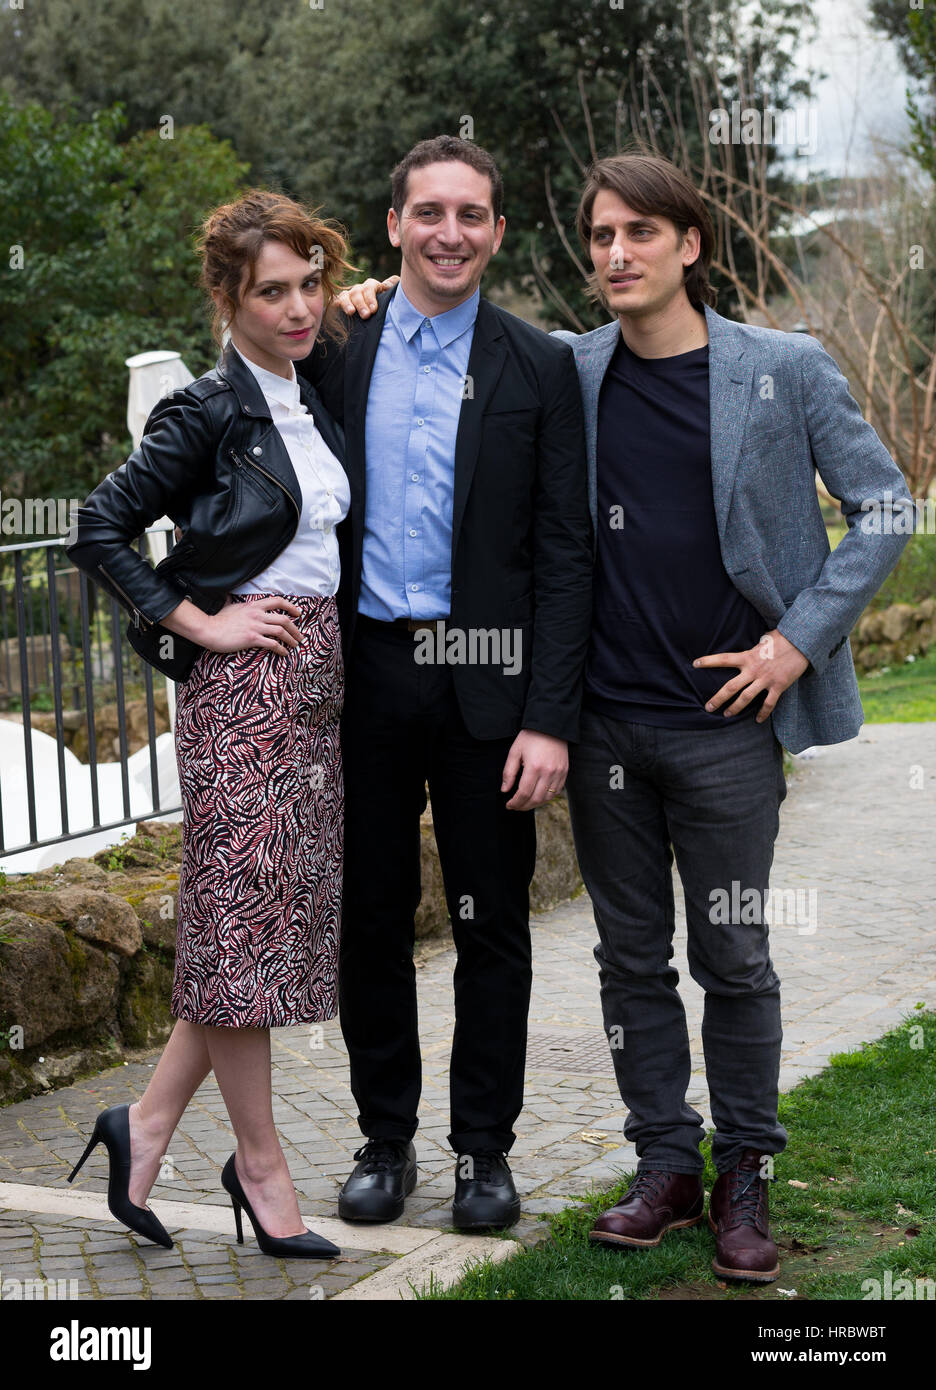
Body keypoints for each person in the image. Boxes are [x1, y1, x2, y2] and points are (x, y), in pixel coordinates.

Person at [548, 153, 914, 1281]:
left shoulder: (784, 367)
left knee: (736, 957)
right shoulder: (573, 370)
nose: (616, 254)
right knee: (628, 960)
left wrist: (795, 641)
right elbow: (443, 350)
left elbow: (886, 505)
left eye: (640, 234)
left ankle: (746, 1167)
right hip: (605, 727)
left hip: (725, 728)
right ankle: (664, 1163)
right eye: (602, 236)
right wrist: (365, 299)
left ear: (689, 245)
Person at [297, 135, 593, 1230]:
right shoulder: (339, 346)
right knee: (370, 916)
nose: (450, 232)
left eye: (472, 214)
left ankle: (485, 1152)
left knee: (491, 925)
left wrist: (550, 717)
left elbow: (567, 553)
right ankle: (387, 1139)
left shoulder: (539, 366)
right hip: (368, 667)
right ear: (394, 226)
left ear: (498, 231)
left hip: (486, 684)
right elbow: (237, 374)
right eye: (430, 212)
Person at [64, 189, 353, 1258]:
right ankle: (262, 1168)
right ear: (225, 300)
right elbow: (100, 525)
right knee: (242, 939)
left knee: (256, 937)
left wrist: (355, 293)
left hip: (316, 685)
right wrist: (202, 623)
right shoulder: (206, 409)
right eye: (271, 291)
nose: (298, 307)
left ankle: (139, 1128)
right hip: (245, 695)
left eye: (309, 281)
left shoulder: (304, 386)